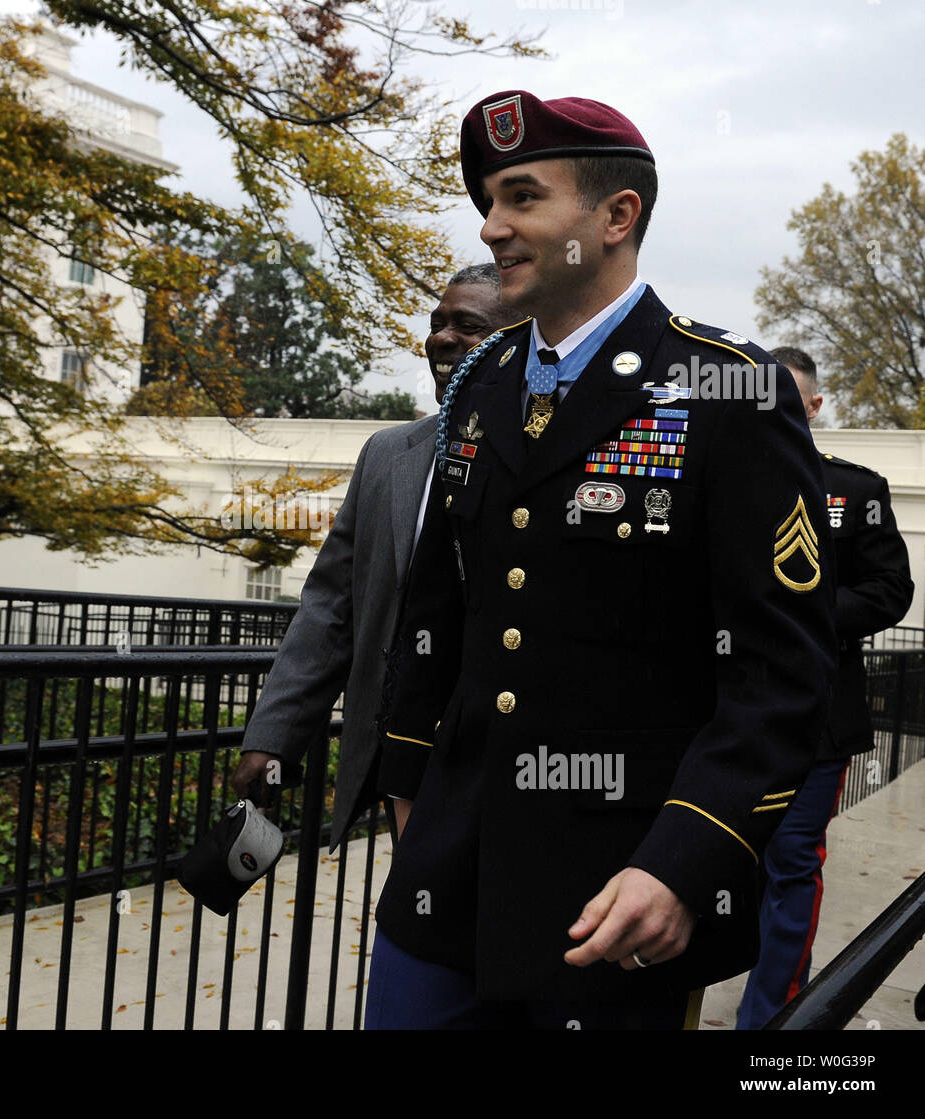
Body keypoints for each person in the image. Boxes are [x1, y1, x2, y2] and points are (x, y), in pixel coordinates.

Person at [366, 90, 838, 1030]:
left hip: (619, 891)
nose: (492, 227)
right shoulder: (480, 385)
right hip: (446, 872)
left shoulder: (726, 390)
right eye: (488, 202)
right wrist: (408, 787)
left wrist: (686, 858)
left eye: (522, 198)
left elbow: (782, 672)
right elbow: (435, 610)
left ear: (616, 217)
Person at [232, 266, 517, 847]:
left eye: (468, 325)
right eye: (437, 323)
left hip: (507, 759)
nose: (441, 338)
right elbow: (331, 606)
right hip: (401, 755)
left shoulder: (548, 460)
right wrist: (273, 735)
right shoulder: (390, 455)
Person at [735, 346, 913, 1029]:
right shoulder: (718, 482)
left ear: (812, 405)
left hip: (815, 721)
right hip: (723, 714)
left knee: (789, 865)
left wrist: (802, 618)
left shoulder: (856, 490)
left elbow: (891, 590)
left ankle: (772, 1023)